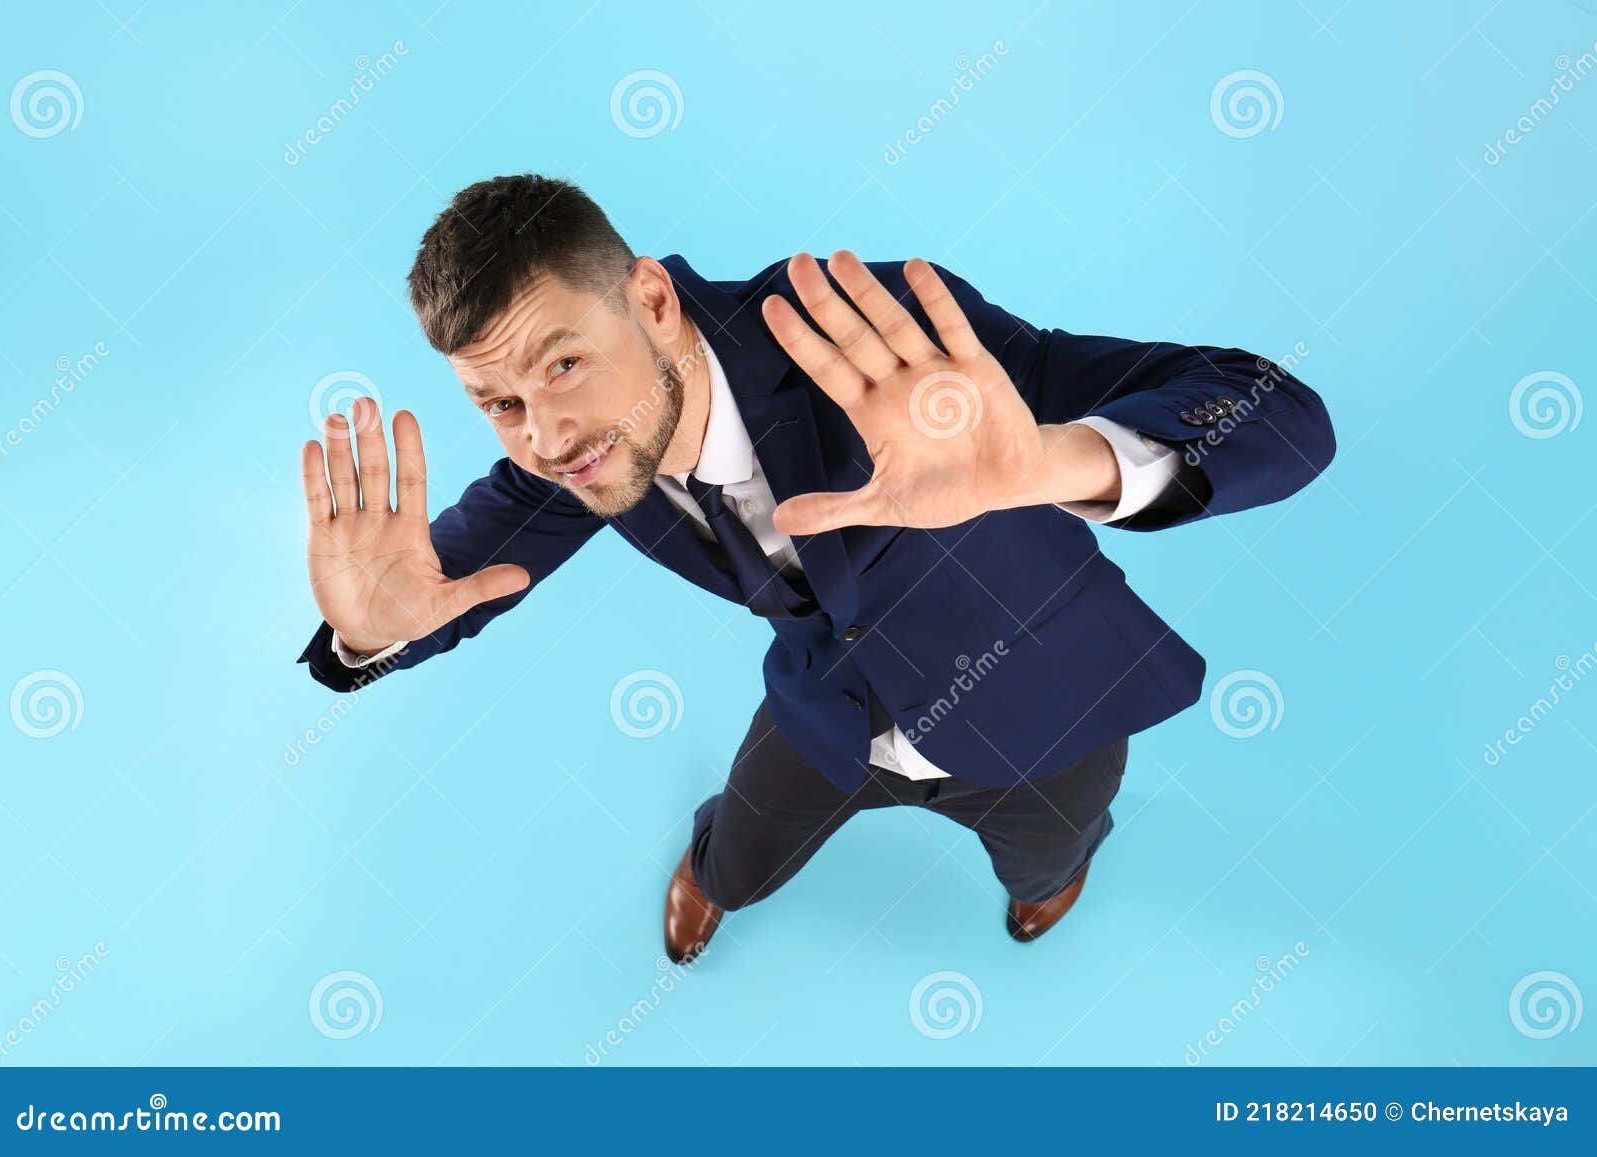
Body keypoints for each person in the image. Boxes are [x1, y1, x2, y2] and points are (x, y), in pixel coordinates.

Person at [297, 174, 1335, 964]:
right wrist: (366, 633)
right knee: (737, 851)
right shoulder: (571, 458)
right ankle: (715, 877)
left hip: (1043, 705)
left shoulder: (873, 334)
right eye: (500, 402)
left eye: (562, 362)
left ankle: (1050, 881)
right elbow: (432, 584)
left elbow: (1271, 408)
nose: (547, 431)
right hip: (820, 715)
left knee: (1049, 853)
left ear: (652, 302)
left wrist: (1053, 460)